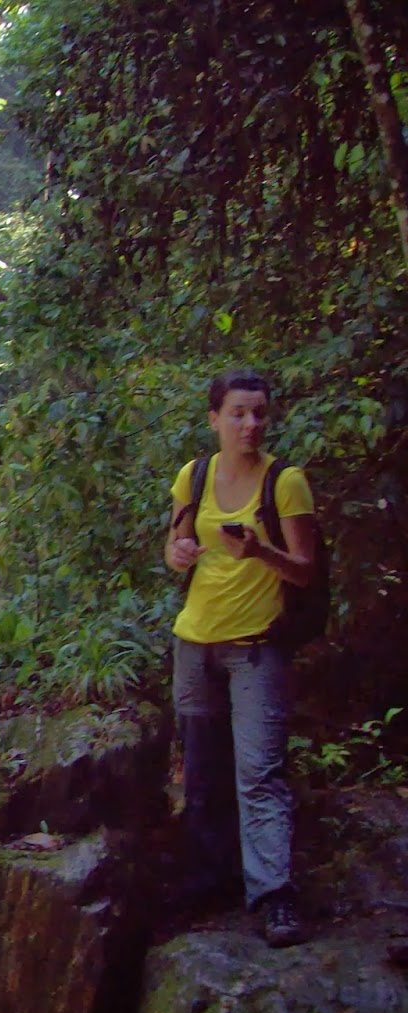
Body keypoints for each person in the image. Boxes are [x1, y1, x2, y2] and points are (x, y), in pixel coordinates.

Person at [163, 368, 317, 948]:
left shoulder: (286, 482)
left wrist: (261, 552)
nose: (250, 424)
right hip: (194, 643)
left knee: (259, 774)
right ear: (214, 419)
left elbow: (305, 570)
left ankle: (274, 895)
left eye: (259, 414)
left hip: (257, 649)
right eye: (238, 413)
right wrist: (179, 553)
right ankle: (210, 880)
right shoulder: (193, 475)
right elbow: (173, 551)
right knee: (202, 774)